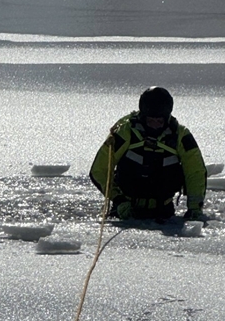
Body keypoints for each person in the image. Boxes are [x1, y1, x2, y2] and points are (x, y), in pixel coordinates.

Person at [89, 87, 207, 222]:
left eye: (160, 122)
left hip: (163, 212)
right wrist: (118, 199)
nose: (155, 126)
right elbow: (99, 170)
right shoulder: (125, 131)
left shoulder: (181, 135)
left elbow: (195, 171)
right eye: (151, 121)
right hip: (125, 211)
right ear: (143, 117)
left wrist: (194, 208)